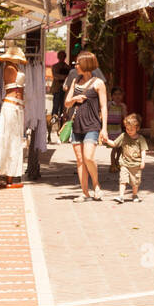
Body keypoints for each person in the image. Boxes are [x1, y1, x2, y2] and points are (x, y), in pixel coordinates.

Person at [65, 51, 108, 202]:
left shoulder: (98, 83)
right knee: (79, 160)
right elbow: (67, 102)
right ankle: (85, 192)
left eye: (77, 63)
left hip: (92, 124)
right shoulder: (75, 81)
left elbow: (103, 107)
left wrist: (104, 128)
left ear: (85, 64)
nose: (75, 66)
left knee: (88, 157)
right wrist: (75, 98)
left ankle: (96, 186)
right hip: (77, 125)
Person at [0, 46, 27, 187]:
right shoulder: (10, 68)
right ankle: (8, 175)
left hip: (16, 106)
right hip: (12, 105)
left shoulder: (13, 67)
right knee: (10, 139)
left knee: (14, 139)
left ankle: (10, 175)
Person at [105, 113, 149, 202]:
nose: (129, 131)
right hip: (124, 163)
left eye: (131, 129)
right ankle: (121, 196)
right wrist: (106, 140)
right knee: (123, 180)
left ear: (137, 128)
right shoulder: (123, 136)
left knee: (135, 182)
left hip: (136, 165)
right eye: (127, 129)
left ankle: (134, 194)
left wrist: (143, 161)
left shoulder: (140, 139)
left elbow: (143, 150)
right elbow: (114, 144)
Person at [107, 86, 127, 174]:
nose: (117, 96)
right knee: (115, 147)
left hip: (118, 129)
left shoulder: (122, 106)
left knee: (121, 147)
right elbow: (103, 114)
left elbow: (125, 117)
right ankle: (112, 164)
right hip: (110, 129)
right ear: (112, 96)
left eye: (119, 94)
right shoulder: (109, 105)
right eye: (115, 94)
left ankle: (117, 160)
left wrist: (123, 108)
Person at [50, 51, 72, 133]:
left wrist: (63, 78)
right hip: (57, 89)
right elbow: (56, 76)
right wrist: (64, 77)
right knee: (55, 107)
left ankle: (62, 127)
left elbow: (69, 77)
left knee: (64, 109)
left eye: (63, 56)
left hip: (65, 90)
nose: (61, 58)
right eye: (60, 56)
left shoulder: (68, 67)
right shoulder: (55, 66)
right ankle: (52, 126)